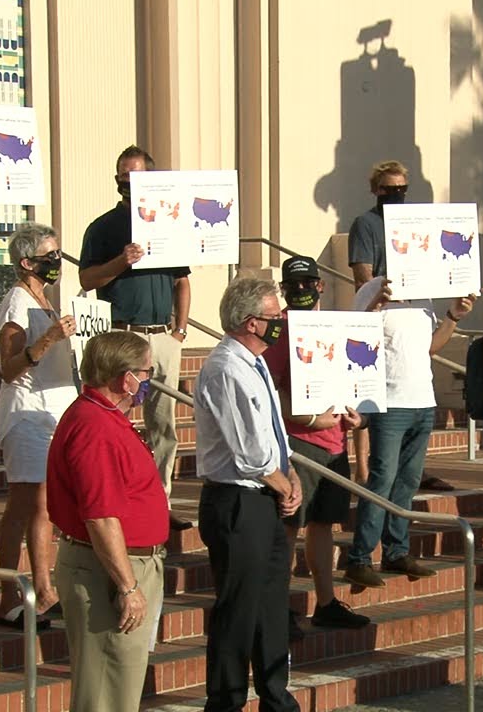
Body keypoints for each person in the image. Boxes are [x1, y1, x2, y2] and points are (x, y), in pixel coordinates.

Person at [194, 277, 301, 712]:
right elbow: (249, 452)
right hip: (237, 500)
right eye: (275, 317)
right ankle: (226, 701)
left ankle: (276, 698)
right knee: (237, 611)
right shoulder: (226, 368)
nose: (281, 323)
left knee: (272, 606)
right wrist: (281, 482)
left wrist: (291, 478)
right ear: (251, 322)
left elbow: (274, 439)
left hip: (268, 495)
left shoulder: (256, 364)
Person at [47, 331, 168, 712]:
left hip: (122, 565)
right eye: (146, 371)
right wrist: (128, 587)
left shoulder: (105, 417)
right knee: (106, 691)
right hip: (108, 572)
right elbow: (100, 516)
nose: (149, 380)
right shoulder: (95, 427)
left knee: (119, 685)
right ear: (125, 377)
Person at [79, 145, 193, 532]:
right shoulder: (103, 227)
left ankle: (158, 502)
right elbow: (87, 280)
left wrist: (179, 330)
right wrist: (121, 261)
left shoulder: (167, 221)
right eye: (123, 179)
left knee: (163, 425)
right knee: (116, 422)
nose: (128, 185)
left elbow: (182, 281)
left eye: (137, 177)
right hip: (121, 337)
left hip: (161, 336)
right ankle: (118, 502)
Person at [260, 256, 370, 637]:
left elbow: (358, 379)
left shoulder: (337, 326)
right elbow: (270, 390)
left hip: (335, 443)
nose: (301, 291)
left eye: (307, 284)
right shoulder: (280, 330)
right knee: (289, 527)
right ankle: (279, 607)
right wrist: (307, 419)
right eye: (293, 286)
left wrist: (358, 417)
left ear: (321, 285)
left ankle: (325, 603)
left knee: (323, 525)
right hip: (300, 445)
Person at [344, 276, 475, 588]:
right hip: (388, 403)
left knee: (407, 482)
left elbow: (429, 347)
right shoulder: (371, 290)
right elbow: (352, 338)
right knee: (381, 480)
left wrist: (454, 316)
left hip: (422, 402)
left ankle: (396, 551)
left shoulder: (423, 292)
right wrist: (376, 305)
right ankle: (360, 558)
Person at [346, 160, 452, 492]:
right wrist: (378, 297)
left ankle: (407, 468)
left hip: (412, 315)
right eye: (390, 189)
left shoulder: (413, 223)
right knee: (369, 392)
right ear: (376, 189)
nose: (396, 194)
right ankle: (364, 468)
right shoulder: (365, 223)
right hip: (380, 311)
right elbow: (362, 271)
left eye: (402, 189)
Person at [0, 223, 76, 628]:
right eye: (49, 255)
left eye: (58, 253)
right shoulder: (15, 304)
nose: (57, 261)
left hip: (54, 411)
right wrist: (48, 340)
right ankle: (16, 590)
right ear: (27, 262)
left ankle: (44, 587)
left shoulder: (44, 300)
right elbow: (8, 368)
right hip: (26, 414)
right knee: (28, 504)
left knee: (42, 506)